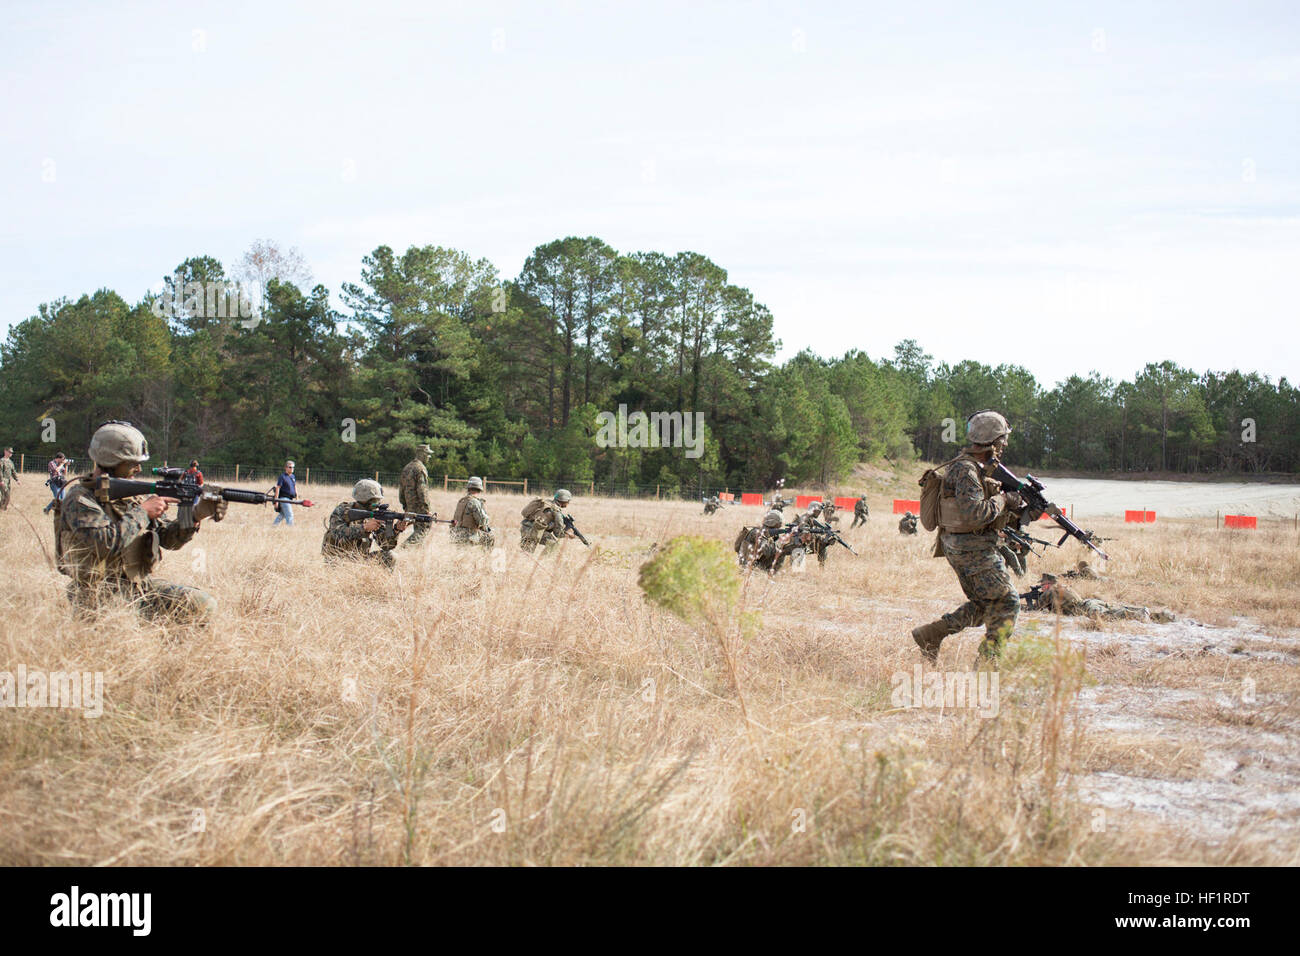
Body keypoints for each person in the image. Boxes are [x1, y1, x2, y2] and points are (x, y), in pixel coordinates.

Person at [910, 410, 1058, 664]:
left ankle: (931, 634)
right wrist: (1004, 499)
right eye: (1003, 439)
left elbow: (994, 516)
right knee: (1009, 603)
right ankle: (988, 662)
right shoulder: (966, 471)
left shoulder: (978, 469)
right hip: (972, 548)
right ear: (994, 441)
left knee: (986, 604)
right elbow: (976, 513)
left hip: (967, 545)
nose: (1006, 445)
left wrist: (1028, 513)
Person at [53, 421, 216, 623]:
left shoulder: (132, 496)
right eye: (132, 463)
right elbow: (104, 543)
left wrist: (194, 516)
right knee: (121, 629)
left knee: (201, 604)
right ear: (110, 460)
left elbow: (169, 540)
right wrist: (143, 512)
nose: (139, 468)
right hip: (98, 596)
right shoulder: (80, 499)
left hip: (138, 587)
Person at [322, 479, 406, 569]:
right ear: (367, 500)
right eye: (376, 500)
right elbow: (336, 532)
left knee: (390, 556)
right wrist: (364, 528)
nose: (378, 502)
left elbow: (387, 545)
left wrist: (396, 530)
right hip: (336, 559)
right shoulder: (343, 510)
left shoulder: (376, 515)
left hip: (360, 559)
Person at [1036, 573, 1175, 623]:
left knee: (1109, 615)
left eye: (1042, 586)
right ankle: (1160, 616)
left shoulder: (1051, 591)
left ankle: (1140, 614)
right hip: (1090, 602)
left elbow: (1036, 608)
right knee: (1116, 609)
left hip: (1084, 607)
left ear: (1048, 584)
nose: (1042, 588)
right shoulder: (1061, 587)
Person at [398, 444, 434, 547]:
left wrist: (405, 506)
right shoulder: (420, 469)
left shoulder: (407, 467)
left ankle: (415, 554)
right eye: (428, 454)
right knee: (423, 528)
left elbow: (401, 489)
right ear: (422, 454)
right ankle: (406, 548)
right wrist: (427, 509)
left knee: (418, 531)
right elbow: (423, 491)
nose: (429, 457)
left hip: (410, 506)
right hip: (420, 507)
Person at [520, 489, 576, 553]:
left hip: (525, 527)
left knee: (525, 554)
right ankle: (543, 561)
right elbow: (558, 534)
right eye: (568, 501)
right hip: (534, 532)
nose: (568, 503)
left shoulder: (546, 502)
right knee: (553, 545)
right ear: (564, 500)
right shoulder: (557, 512)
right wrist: (568, 535)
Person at [450, 476, 494, 547]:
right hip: (469, 536)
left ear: (468, 487)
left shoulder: (462, 501)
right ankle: (485, 557)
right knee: (490, 537)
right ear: (480, 488)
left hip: (456, 534)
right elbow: (482, 521)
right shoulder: (474, 502)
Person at [270, 460, 297, 526]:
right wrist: (276, 501)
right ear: (286, 468)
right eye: (290, 467)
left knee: (283, 514)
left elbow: (295, 486)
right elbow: (278, 488)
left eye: (293, 467)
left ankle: (274, 526)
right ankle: (291, 529)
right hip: (283, 498)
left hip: (290, 498)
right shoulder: (282, 477)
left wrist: (296, 496)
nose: (292, 469)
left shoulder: (293, 477)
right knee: (289, 514)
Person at [0, 446, 18, 511]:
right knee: (3, 495)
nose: (11, 453)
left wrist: (17, 480)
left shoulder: (10, 462)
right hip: (3, 480)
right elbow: (0, 471)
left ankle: (3, 508)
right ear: (5, 451)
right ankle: (2, 508)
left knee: (8, 496)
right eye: (9, 452)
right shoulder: (1, 461)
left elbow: (13, 471)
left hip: (8, 481)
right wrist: (1, 481)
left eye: (11, 452)